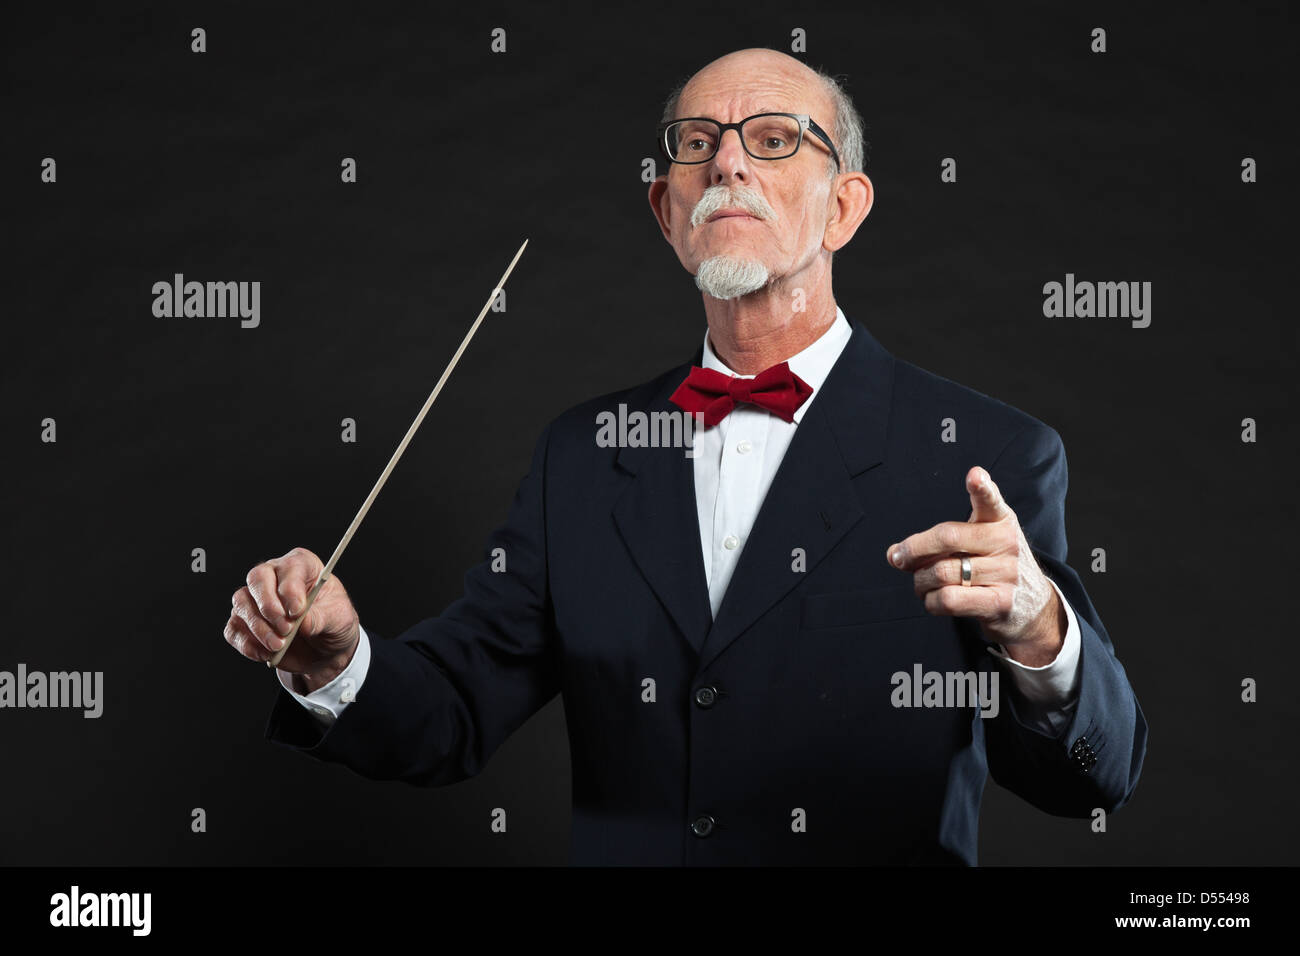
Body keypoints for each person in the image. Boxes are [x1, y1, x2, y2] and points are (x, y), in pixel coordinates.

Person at [225, 48, 1147, 865]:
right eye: (696, 141)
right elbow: (451, 715)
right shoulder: (582, 456)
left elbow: (1091, 780)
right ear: (667, 213)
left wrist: (1038, 632)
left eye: (777, 138)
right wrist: (338, 659)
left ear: (845, 208)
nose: (729, 159)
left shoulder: (989, 454)